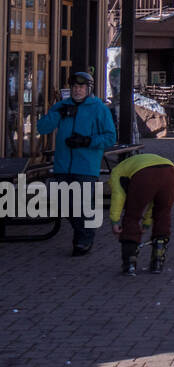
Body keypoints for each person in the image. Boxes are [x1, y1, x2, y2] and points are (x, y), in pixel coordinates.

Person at [35, 71, 117, 256]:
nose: (77, 90)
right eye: (74, 87)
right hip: (63, 165)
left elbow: (111, 137)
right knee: (64, 204)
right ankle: (83, 234)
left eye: (81, 87)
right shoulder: (62, 106)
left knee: (80, 205)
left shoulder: (98, 108)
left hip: (86, 166)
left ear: (89, 89)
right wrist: (58, 114)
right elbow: (42, 127)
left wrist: (87, 141)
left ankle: (84, 239)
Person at [109, 152, 174, 276]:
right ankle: (158, 258)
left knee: (132, 215)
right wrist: (146, 225)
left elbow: (118, 197)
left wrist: (114, 221)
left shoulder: (116, 172)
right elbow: (153, 203)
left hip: (143, 174)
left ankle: (130, 262)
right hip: (170, 171)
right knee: (163, 214)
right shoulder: (131, 165)